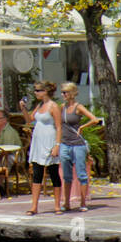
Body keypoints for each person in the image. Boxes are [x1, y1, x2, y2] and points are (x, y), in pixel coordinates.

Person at [21, 81, 62, 216]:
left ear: (45, 91)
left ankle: (57, 206)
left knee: (53, 173)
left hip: (49, 140)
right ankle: (34, 206)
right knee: (37, 174)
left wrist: (57, 145)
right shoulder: (39, 105)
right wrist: (23, 109)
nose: (36, 92)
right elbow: (29, 120)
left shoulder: (53, 106)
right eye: (35, 90)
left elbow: (59, 126)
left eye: (38, 90)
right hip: (38, 142)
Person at [57, 82, 99, 213]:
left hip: (77, 144)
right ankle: (67, 202)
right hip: (65, 143)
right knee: (66, 175)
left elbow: (94, 119)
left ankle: (82, 202)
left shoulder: (78, 107)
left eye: (65, 92)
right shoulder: (61, 107)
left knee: (81, 174)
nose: (63, 94)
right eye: (62, 92)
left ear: (72, 93)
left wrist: (82, 127)